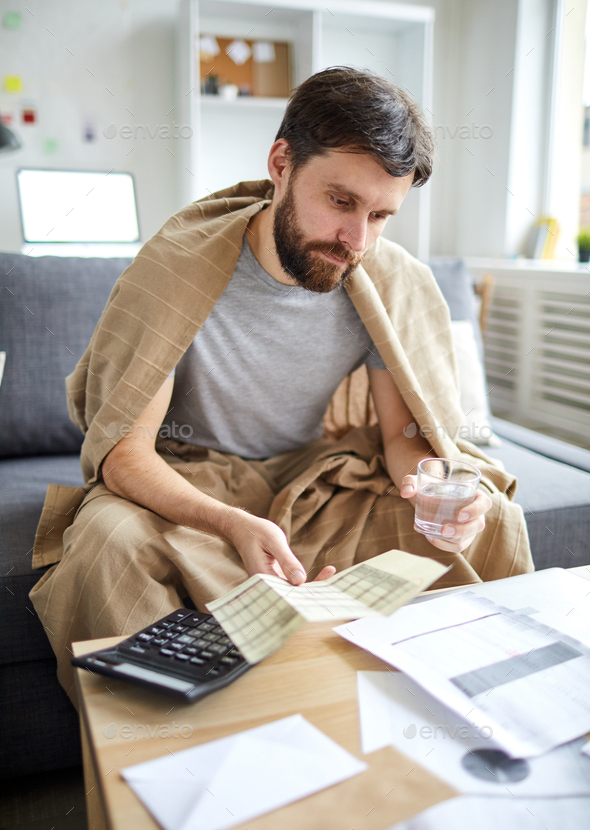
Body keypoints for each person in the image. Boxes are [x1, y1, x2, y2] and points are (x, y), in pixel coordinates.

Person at [30, 67, 533, 707]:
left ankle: (482, 722)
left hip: (313, 482)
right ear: (281, 163)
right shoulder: (177, 266)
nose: (357, 240)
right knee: (108, 543)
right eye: (341, 202)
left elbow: (403, 437)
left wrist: (433, 494)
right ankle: (174, 757)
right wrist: (229, 522)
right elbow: (125, 456)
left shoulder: (385, 281)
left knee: (488, 513)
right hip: (190, 485)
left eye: (381, 215)